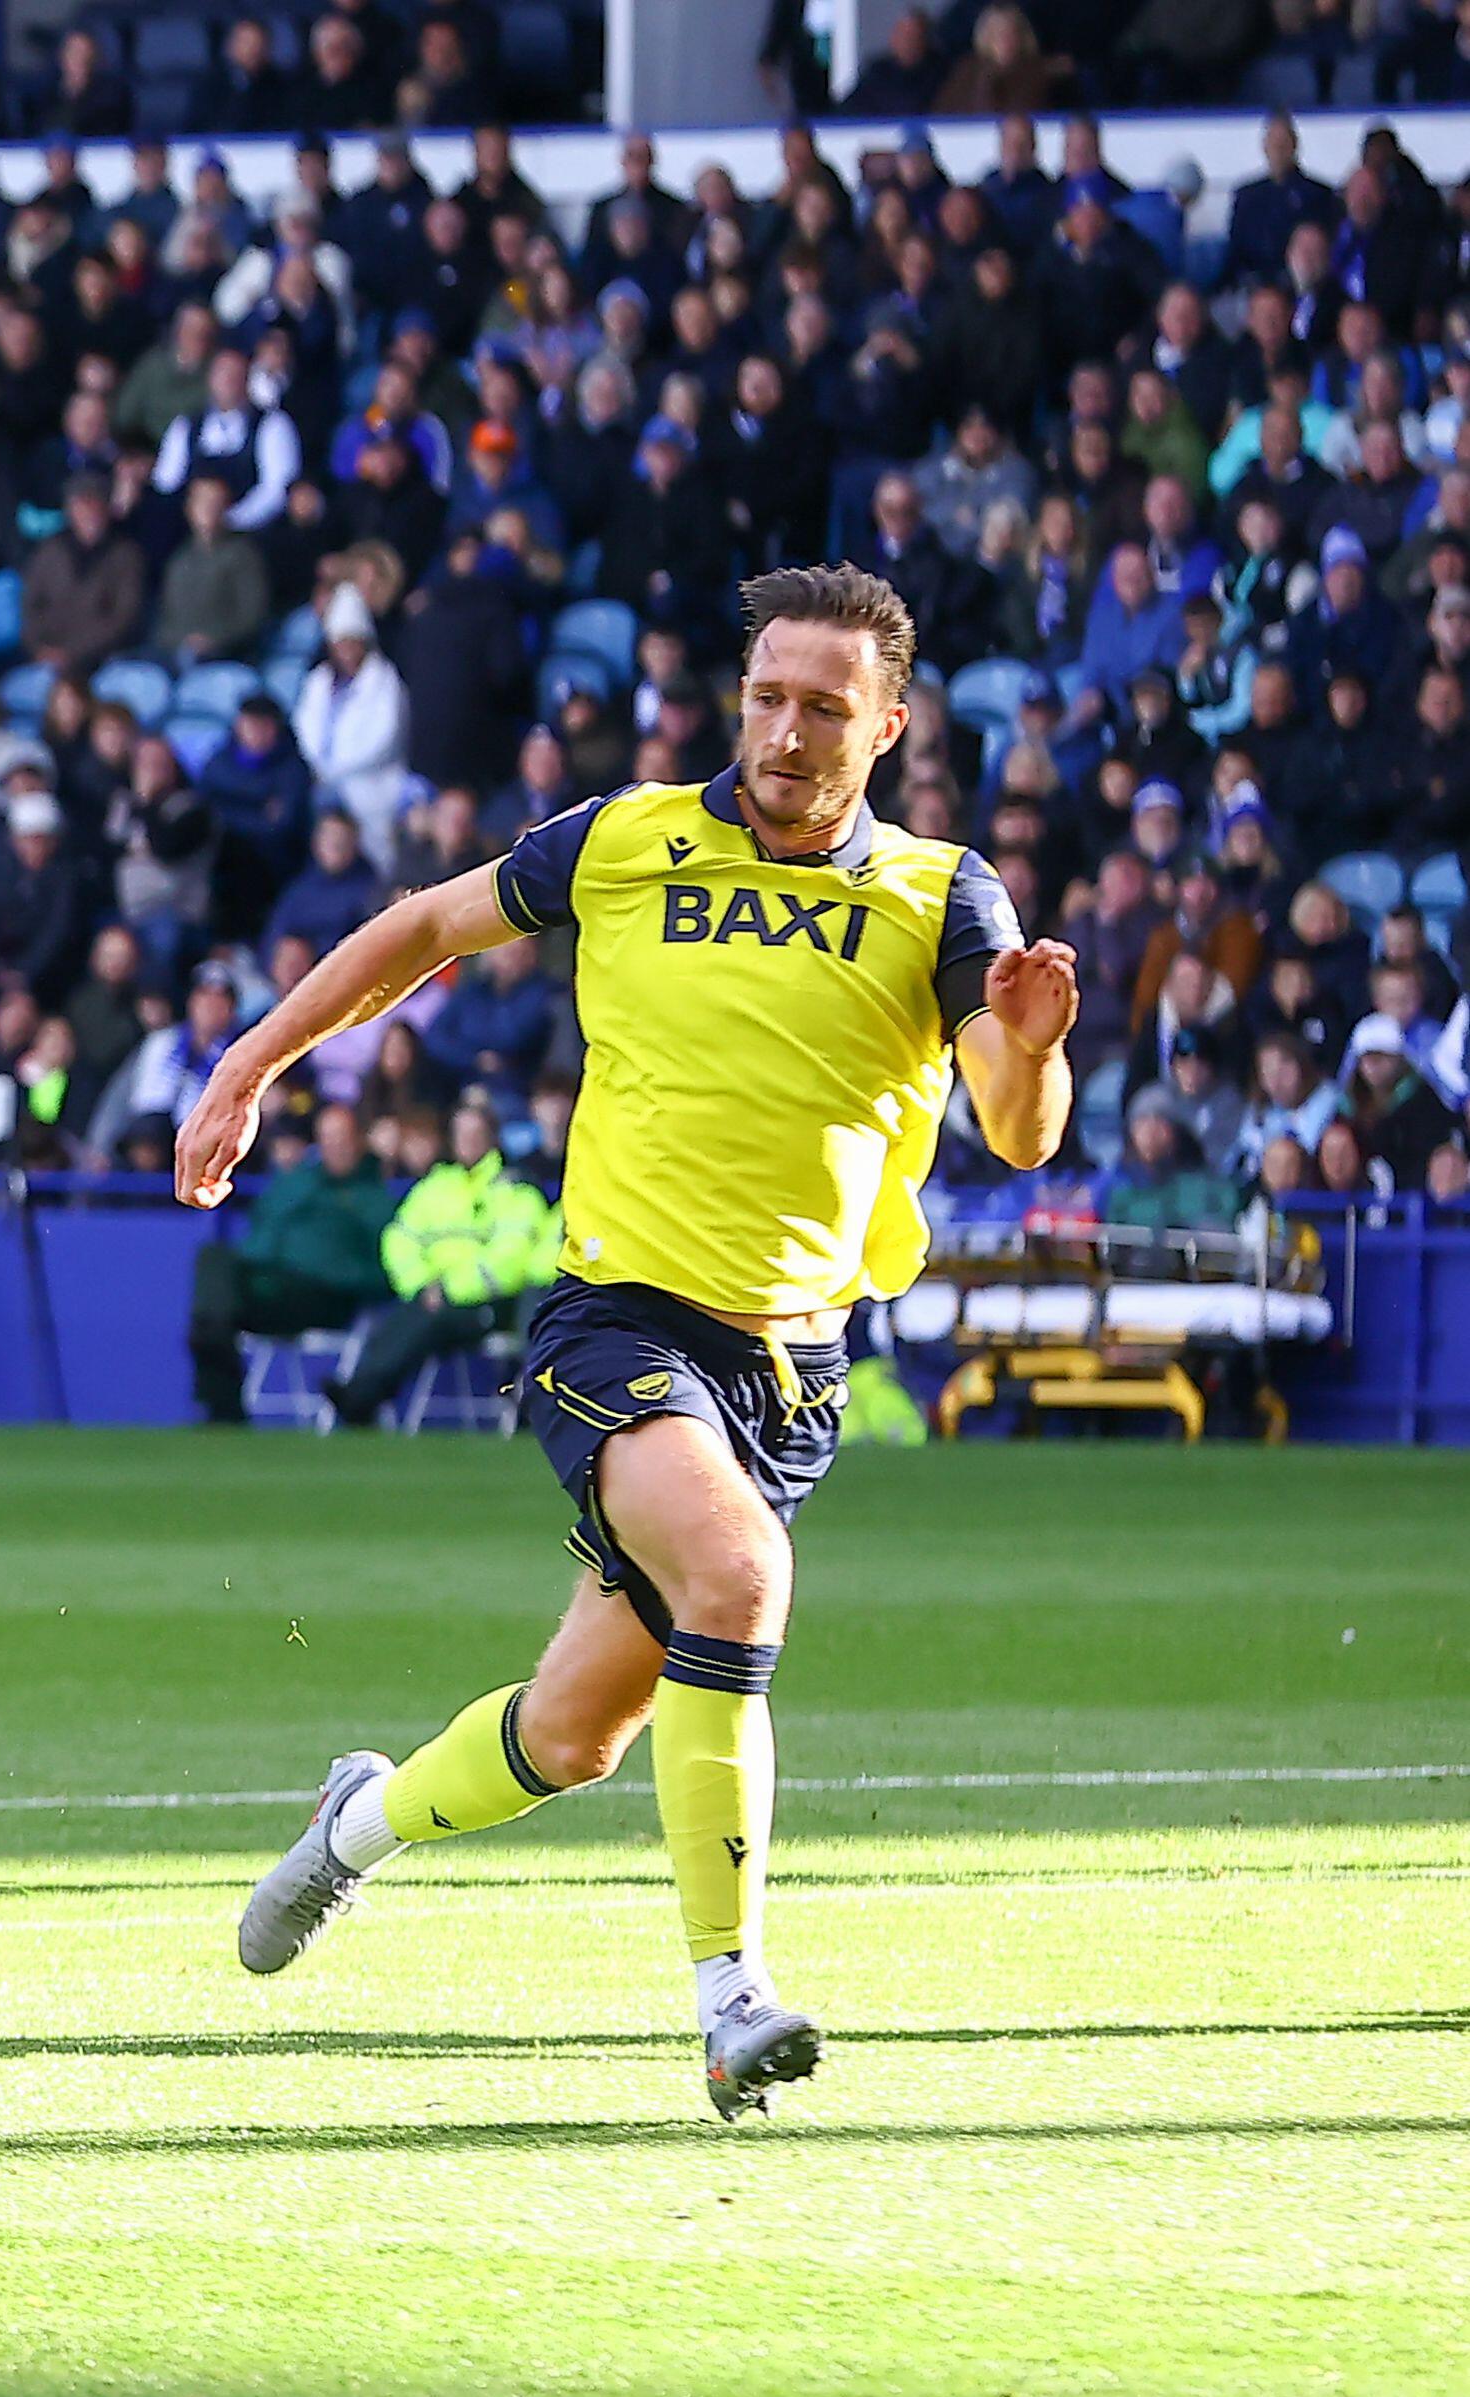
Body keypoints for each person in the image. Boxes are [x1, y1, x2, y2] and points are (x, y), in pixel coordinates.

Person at [183, 566, 1076, 2118]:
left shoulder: (941, 897)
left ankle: (353, 1824)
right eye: (765, 696)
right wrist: (251, 1061)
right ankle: (729, 1999)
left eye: (823, 708)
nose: (784, 733)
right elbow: (424, 927)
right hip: (615, 1321)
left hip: (788, 1373)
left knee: (571, 1733)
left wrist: (1037, 1044)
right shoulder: (622, 838)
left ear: (887, 725)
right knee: (735, 1576)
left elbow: (1014, 1126)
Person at [325, 1098, 560, 1425]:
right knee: (402, 1320)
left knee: (423, 1321)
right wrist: (424, 1284)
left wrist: (448, 1288)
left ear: (492, 1137)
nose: (468, 1142)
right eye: (461, 1134)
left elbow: (512, 1257)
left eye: (476, 1134)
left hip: (490, 1302)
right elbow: (399, 1239)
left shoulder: (515, 1189)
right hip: (432, 1297)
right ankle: (361, 1395)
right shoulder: (434, 1186)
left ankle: (361, 1398)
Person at [187, 1098, 392, 1422]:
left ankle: (218, 1387)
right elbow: (258, 1237)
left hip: (323, 1297)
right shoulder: (296, 1183)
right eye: (327, 1138)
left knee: (216, 1312)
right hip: (269, 1285)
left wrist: (337, 1272)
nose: (334, 1147)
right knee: (214, 1259)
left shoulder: (376, 1199)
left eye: (341, 1138)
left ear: (358, 1141)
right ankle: (212, 1337)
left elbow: (383, 1273)